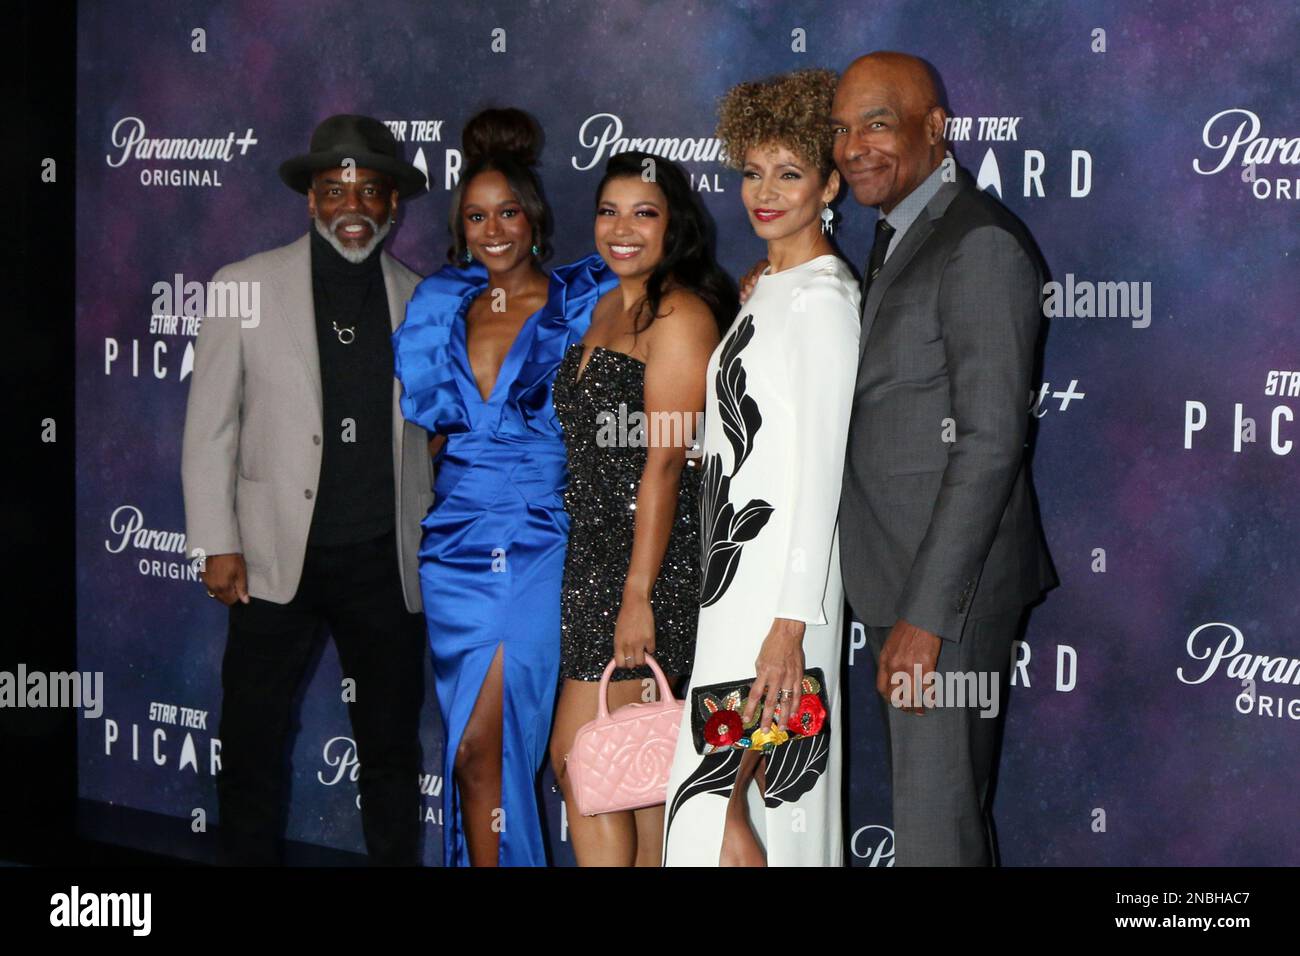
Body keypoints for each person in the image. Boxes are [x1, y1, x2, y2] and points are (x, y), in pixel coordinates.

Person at [181, 114, 431, 865]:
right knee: (252, 741)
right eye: (333, 190)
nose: (350, 204)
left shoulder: (424, 300)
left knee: (389, 750)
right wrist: (216, 542)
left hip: (385, 563)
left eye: (369, 190)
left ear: (392, 204)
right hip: (267, 561)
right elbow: (210, 429)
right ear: (311, 201)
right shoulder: (240, 287)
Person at [831, 52, 1057, 865]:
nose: (854, 145)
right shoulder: (901, 235)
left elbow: (991, 441)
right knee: (941, 827)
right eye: (843, 128)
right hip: (901, 580)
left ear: (937, 129)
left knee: (934, 836)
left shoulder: (979, 242)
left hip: (944, 601)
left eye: (878, 123)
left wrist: (926, 616)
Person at [393, 108, 617, 867]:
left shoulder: (582, 299)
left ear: (535, 219)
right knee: (467, 754)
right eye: (476, 216)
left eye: (508, 212)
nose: (494, 230)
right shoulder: (438, 308)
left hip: (536, 542)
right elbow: (431, 428)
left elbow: (670, 312)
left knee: (495, 745)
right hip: (453, 546)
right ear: (460, 227)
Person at [661, 70, 860, 867]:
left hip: (779, 602)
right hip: (732, 588)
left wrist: (789, 629)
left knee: (724, 808)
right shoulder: (772, 288)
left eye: (790, 172)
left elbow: (822, 471)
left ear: (830, 183)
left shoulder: (822, 301)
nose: (764, 192)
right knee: (734, 809)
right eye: (752, 171)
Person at [549, 152, 733, 866]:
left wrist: (638, 593)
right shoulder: (603, 304)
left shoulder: (680, 313)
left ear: (673, 226)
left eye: (643, 213)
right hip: (593, 551)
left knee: (582, 760)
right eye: (608, 211)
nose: (622, 228)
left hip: (645, 563)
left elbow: (664, 460)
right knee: (637, 773)